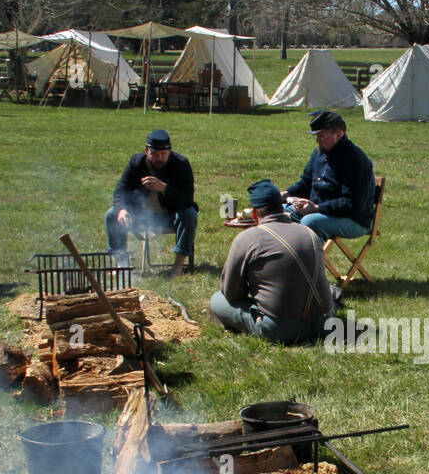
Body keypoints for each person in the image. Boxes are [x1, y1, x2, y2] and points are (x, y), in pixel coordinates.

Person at [210, 179, 333, 343]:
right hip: (324, 323)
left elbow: (231, 292)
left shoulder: (247, 238)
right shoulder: (309, 232)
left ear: (254, 214)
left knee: (217, 299)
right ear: (281, 208)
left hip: (280, 329)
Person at [105, 129, 198, 277]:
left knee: (189, 214)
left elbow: (186, 199)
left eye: (163, 154)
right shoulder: (136, 162)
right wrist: (122, 209)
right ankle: (121, 263)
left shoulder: (181, 164)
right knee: (111, 214)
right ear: (146, 150)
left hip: (169, 216)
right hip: (141, 215)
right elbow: (121, 190)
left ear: (170, 151)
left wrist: (164, 188)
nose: (159, 158)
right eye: (155, 154)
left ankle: (178, 265)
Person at [283, 110, 375, 242]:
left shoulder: (354, 159)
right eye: (316, 136)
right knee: (276, 212)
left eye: (321, 136)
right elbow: (306, 183)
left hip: (353, 220)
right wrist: (285, 194)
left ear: (338, 134)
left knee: (310, 221)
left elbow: (352, 204)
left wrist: (316, 208)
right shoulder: (319, 152)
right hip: (319, 211)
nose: (317, 141)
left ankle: (311, 261)